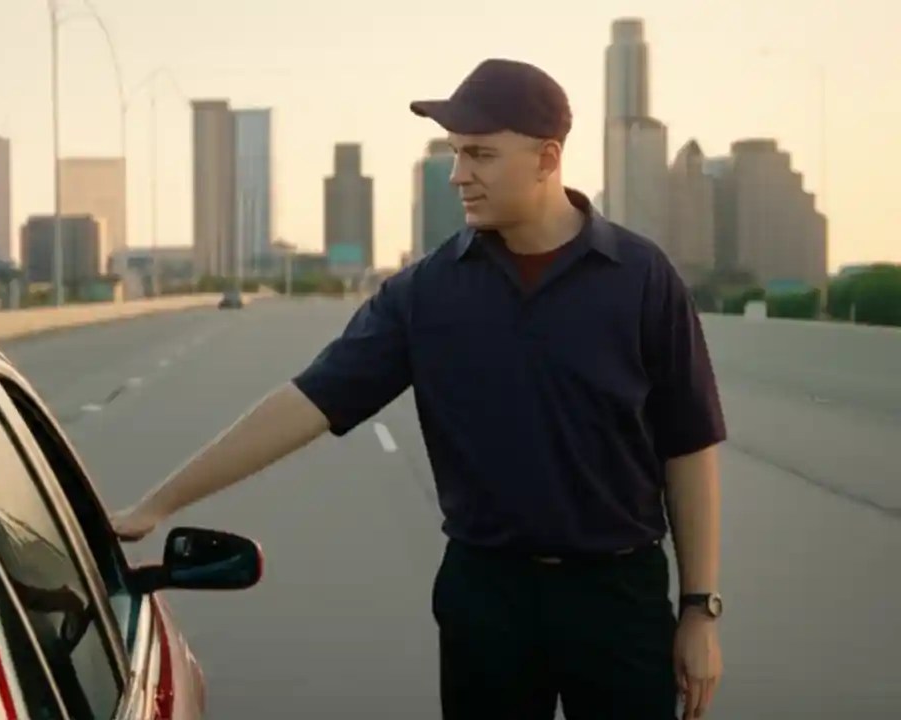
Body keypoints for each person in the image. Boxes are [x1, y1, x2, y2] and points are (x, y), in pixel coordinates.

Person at [111, 58, 725, 719]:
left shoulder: (640, 279)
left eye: (481, 154)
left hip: (618, 600)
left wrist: (699, 610)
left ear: (548, 158)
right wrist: (158, 504)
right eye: (457, 153)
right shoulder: (427, 292)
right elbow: (306, 403)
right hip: (486, 598)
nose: (460, 174)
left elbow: (688, 449)